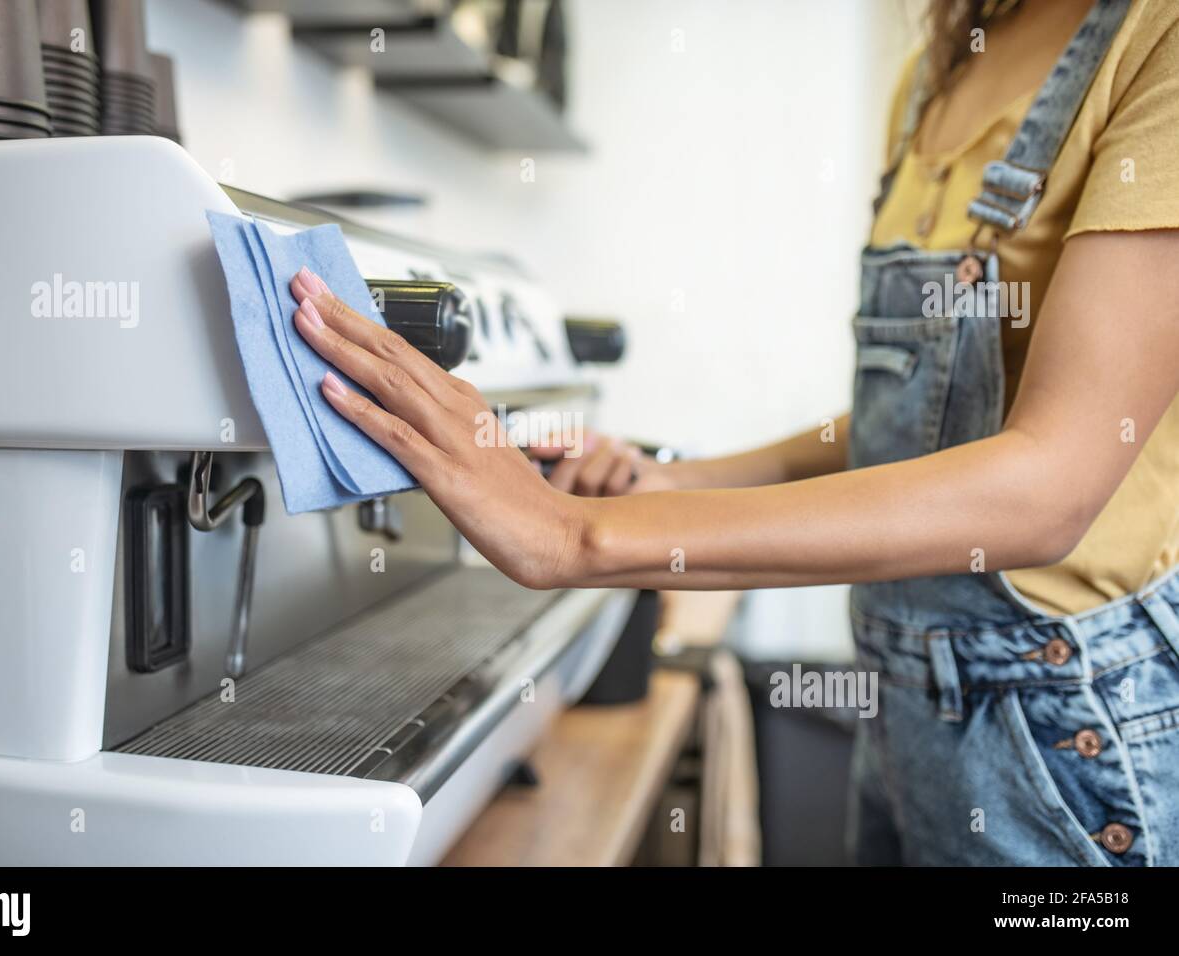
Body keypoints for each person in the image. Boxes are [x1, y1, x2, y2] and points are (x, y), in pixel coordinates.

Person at [283, 0, 1179, 865]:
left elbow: (1047, 489)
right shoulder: (939, 70)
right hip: (905, 714)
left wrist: (572, 535)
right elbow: (903, 422)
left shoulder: (1158, 34)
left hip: (1070, 722)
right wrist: (675, 483)